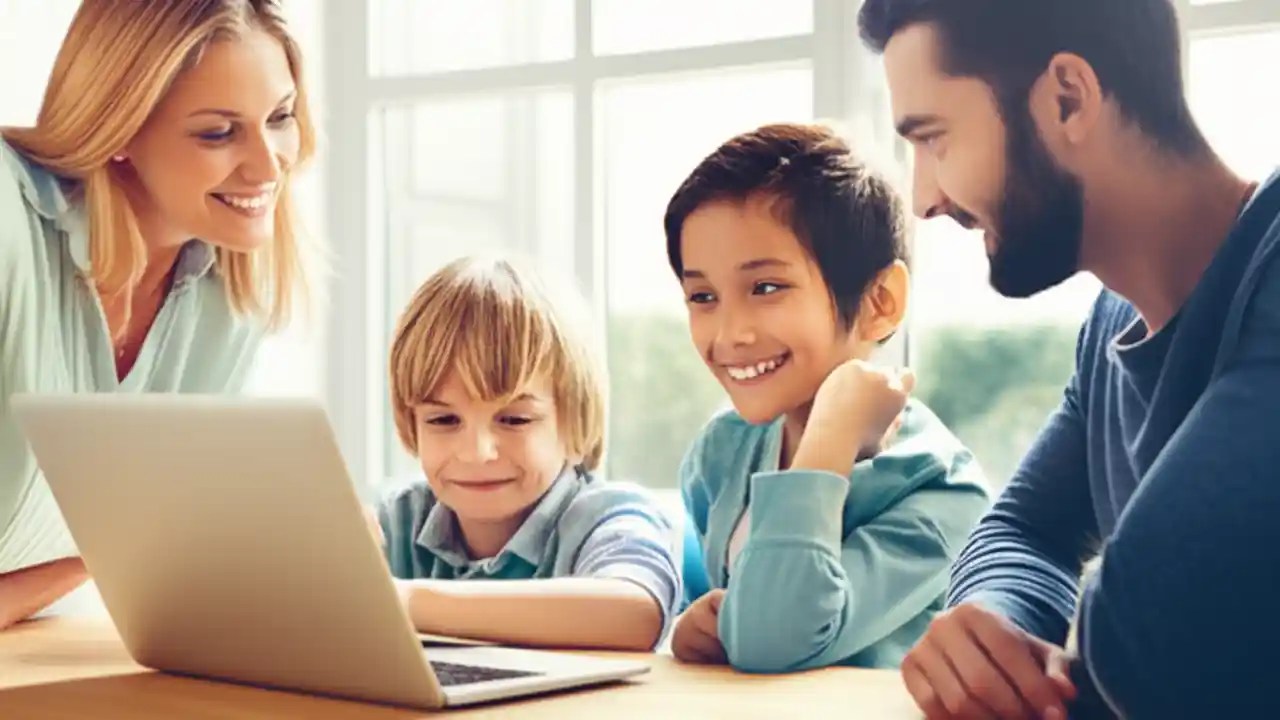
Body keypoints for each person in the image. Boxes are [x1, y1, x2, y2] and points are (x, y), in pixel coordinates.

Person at [859, 0, 1280, 717]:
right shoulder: (1110, 332)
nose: (924, 198)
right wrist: (996, 635)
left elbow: (1156, 627)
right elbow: (1023, 530)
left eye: (935, 140)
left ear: (1068, 98)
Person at [0, 0, 317, 630]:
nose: (268, 162)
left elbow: (153, 549)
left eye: (280, 118)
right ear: (116, 127)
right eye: (217, 132)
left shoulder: (229, 291)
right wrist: (144, 539)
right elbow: (147, 538)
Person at [665, 123, 990, 673]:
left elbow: (777, 642)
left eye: (766, 288)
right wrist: (696, 629)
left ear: (880, 302)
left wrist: (830, 441)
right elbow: (742, 634)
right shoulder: (721, 453)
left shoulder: (942, 491)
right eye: (703, 296)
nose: (729, 334)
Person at [374, 256, 680, 651]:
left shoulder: (607, 517)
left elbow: (636, 615)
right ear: (411, 422)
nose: (477, 453)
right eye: (444, 420)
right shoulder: (398, 521)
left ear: (573, 422)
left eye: (515, 420)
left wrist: (407, 601)